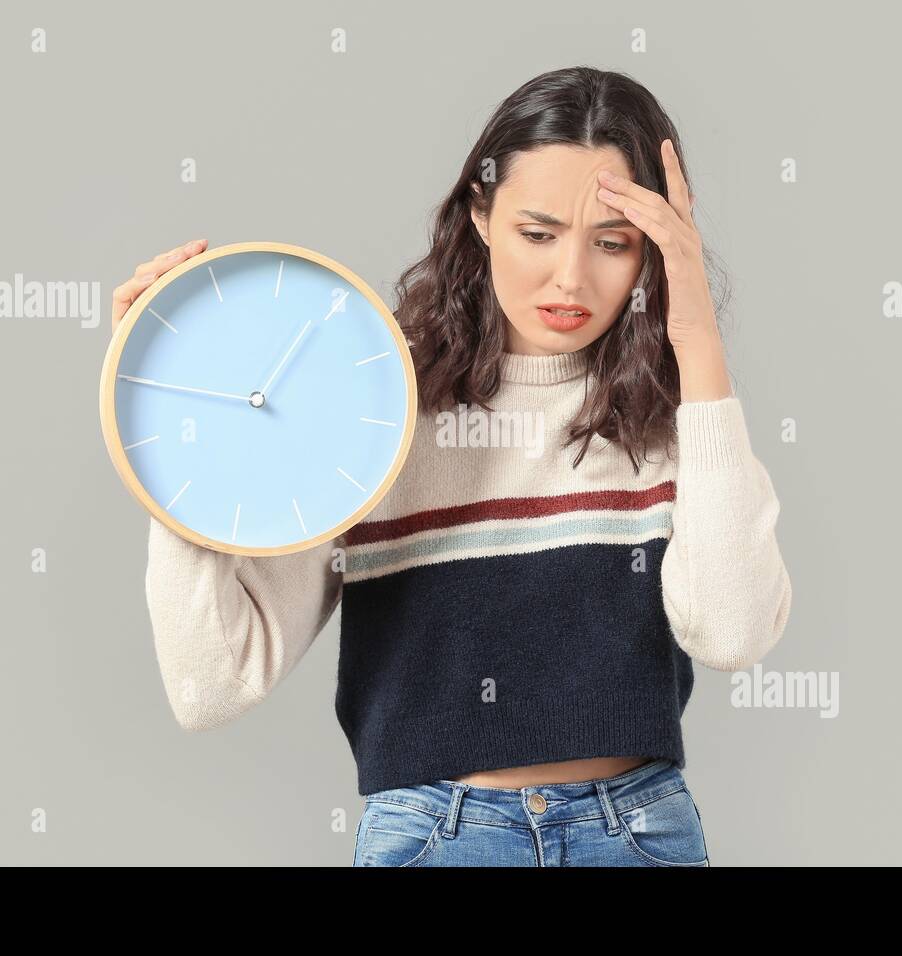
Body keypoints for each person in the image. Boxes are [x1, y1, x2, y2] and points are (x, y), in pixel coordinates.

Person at [110, 66, 793, 867]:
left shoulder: (680, 423)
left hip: (637, 835)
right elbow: (212, 686)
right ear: (480, 213)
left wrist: (698, 343)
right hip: (437, 840)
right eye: (538, 233)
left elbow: (734, 633)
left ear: (654, 253)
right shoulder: (372, 405)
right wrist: (163, 431)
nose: (570, 278)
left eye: (613, 244)